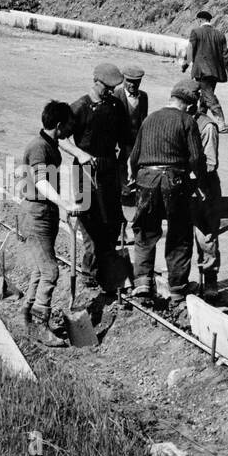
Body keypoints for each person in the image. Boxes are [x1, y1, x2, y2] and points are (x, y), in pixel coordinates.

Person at [128, 77, 207, 309]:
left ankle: (142, 285)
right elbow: (196, 158)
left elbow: (134, 157)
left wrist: (135, 177)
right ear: (191, 106)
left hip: (146, 179)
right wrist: (201, 182)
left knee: (145, 231)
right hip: (174, 182)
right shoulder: (187, 122)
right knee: (179, 235)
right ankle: (178, 291)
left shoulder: (150, 118)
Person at [68, 63, 135, 302]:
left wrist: (125, 165)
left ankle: (108, 272)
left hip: (109, 168)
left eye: (113, 88)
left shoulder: (116, 106)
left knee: (111, 220)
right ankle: (89, 271)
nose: (110, 91)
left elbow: (126, 140)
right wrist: (79, 154)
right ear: (95, 81)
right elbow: (60, 138)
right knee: (89, 218)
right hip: (84, 170)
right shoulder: (79, 107)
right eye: (107, 87)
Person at [18, 100, 76, 347]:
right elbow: (41, 182)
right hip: (36, 214)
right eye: (68, 125)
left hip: (45, 212)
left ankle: (28, 316)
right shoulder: (39, 148)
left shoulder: (49, 144)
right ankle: (40, 326)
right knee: (50, 271)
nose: (70, 130)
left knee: (40, 269)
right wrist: (65, 204)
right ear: (59, 125)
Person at [191, 102, 223, 297]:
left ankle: (210, 281)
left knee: (206, 236)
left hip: (205, 188)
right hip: (184, 187)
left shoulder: (207, 126)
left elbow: (210, 164)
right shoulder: (181, 120)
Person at [181, 10, 228, 127]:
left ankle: (220, 121)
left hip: (201, 72)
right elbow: (225, 55)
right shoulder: (219, 34)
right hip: (215, 72)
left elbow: (190, 50)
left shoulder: (196, 32)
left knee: (208, 96)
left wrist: (185, 65)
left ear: (200, 20)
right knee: (205, 95)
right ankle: (199, 120)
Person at [114, 66, 149, 203]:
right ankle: (120, 191)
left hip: (135, 139)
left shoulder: (144, 96)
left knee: (134, 164)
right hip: (120, 140)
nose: (132, 85)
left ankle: (129, 189)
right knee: (119, 165)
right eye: (129, 81)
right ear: (123, 80)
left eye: (136, 82)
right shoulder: (116, 94)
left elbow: (143, 119)